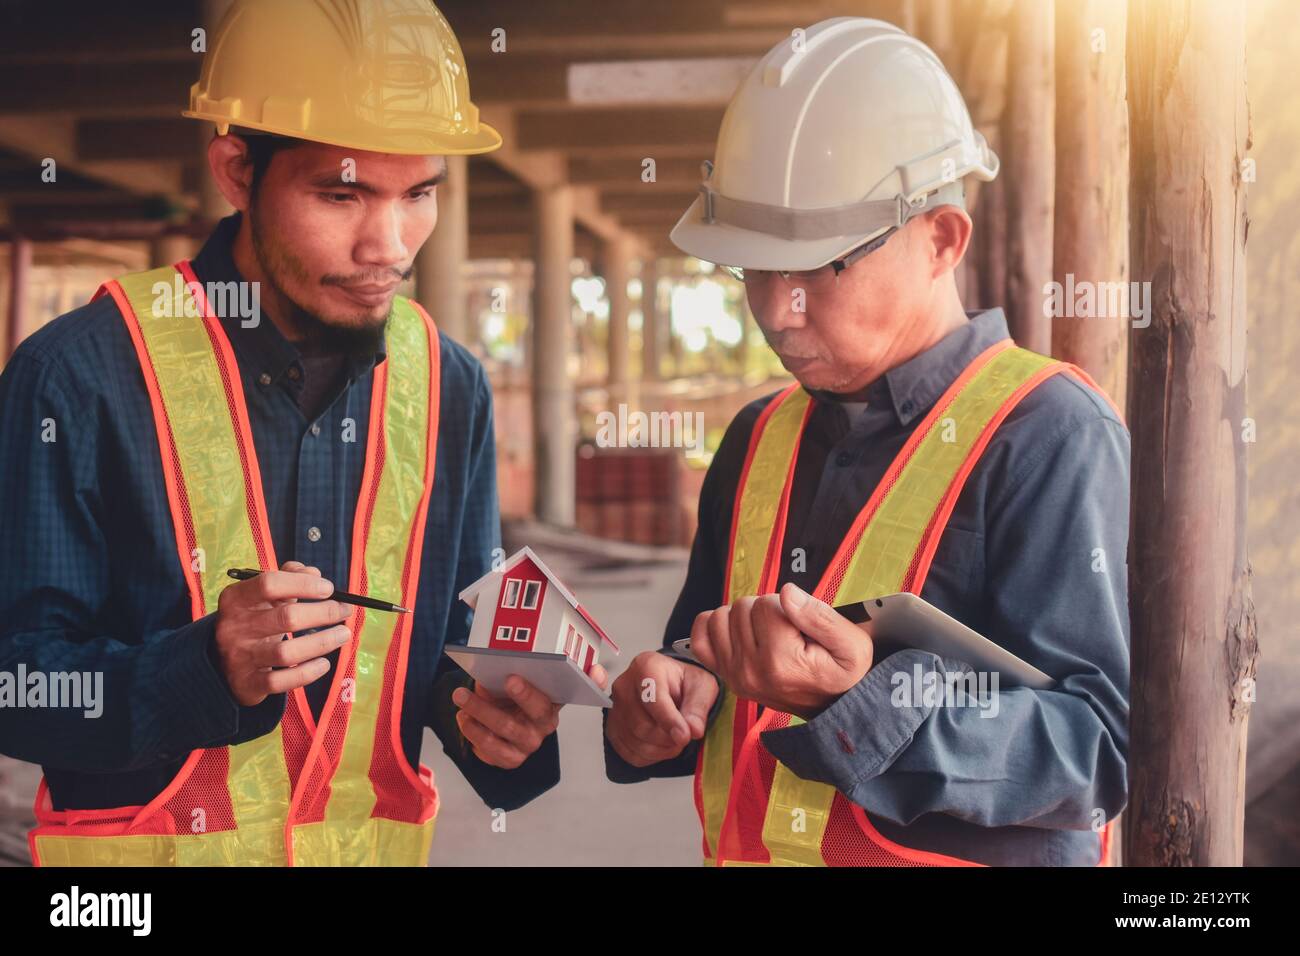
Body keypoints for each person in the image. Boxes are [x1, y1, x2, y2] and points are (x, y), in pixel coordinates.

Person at [0, 0, 601, 867]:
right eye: (342, 194)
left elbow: (445, 658)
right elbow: (21, 684)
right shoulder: (80, 377)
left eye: (420, 195)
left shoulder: (449, 385)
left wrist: (497, 721)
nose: (388, 247)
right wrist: (201, 668)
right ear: (237, 171)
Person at [603, 17, 1129, 867]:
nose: (778, 309)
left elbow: (1097, 749)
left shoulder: (1049, 434)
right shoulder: (755, 440)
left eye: (820, 265)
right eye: (755, 268)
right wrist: (660, 702)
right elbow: (693, 659)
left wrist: (862, 701)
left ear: (942, 240)